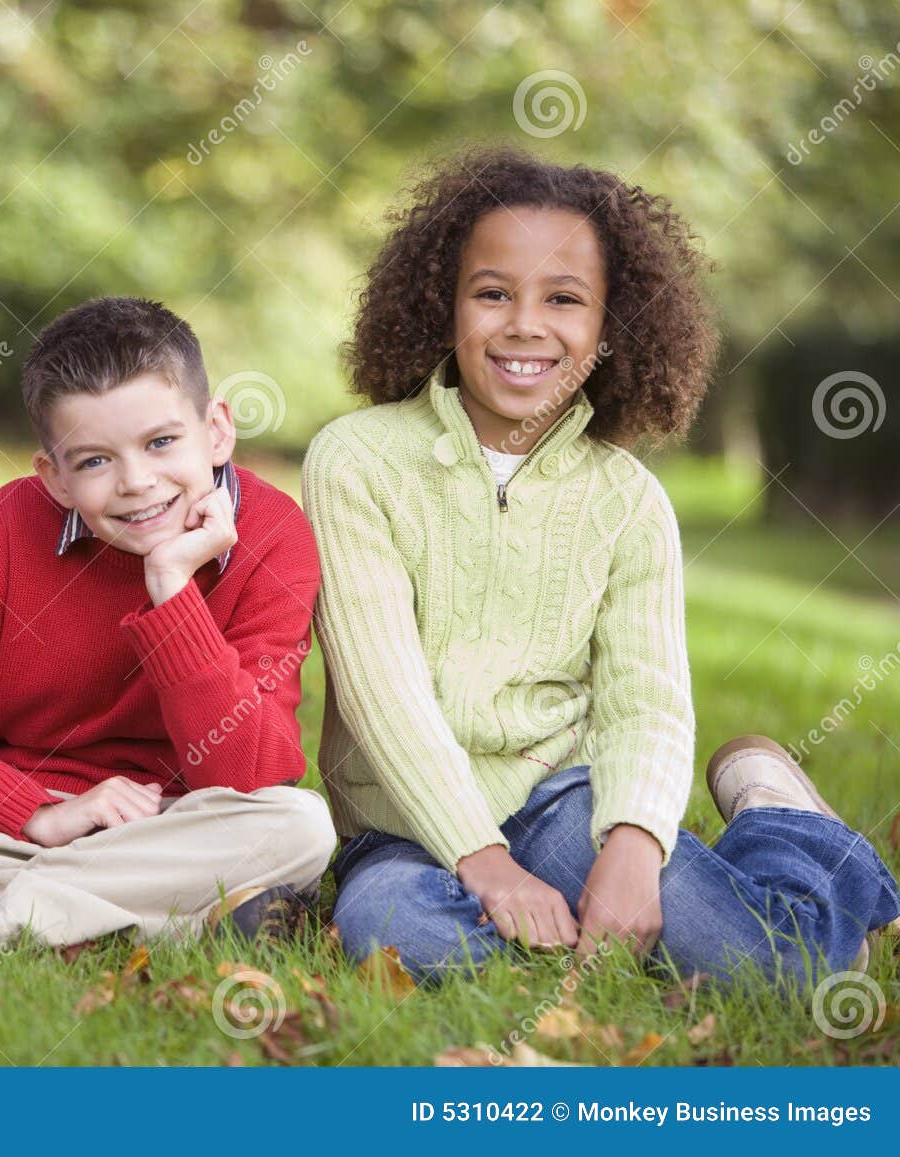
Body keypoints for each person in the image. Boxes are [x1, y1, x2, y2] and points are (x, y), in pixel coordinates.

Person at [306, 145, 899, 983]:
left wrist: (632, 843)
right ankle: (540, 923)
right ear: (444, 307)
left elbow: (645, 699)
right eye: (492, 293)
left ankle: (780, 817)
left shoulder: (629, 500)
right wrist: (484, 860)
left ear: (609, 325)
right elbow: (384, 699)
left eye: (564, 299)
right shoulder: (355, 461)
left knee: (782, 969)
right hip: (401, 823)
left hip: (559, 803)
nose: (524, 324)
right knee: (401, 936)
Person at [0, 296, 335, 950]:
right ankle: (151, 916)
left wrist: (173, 589)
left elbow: (250, 770)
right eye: (95, 460)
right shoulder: (16, 526)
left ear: (215, 430)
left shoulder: (275, 537)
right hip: (11, 818)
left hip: (169, 823)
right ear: (56, 477)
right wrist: (37, 811)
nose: (136, 481)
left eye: (161, 442)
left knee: (298, 825)